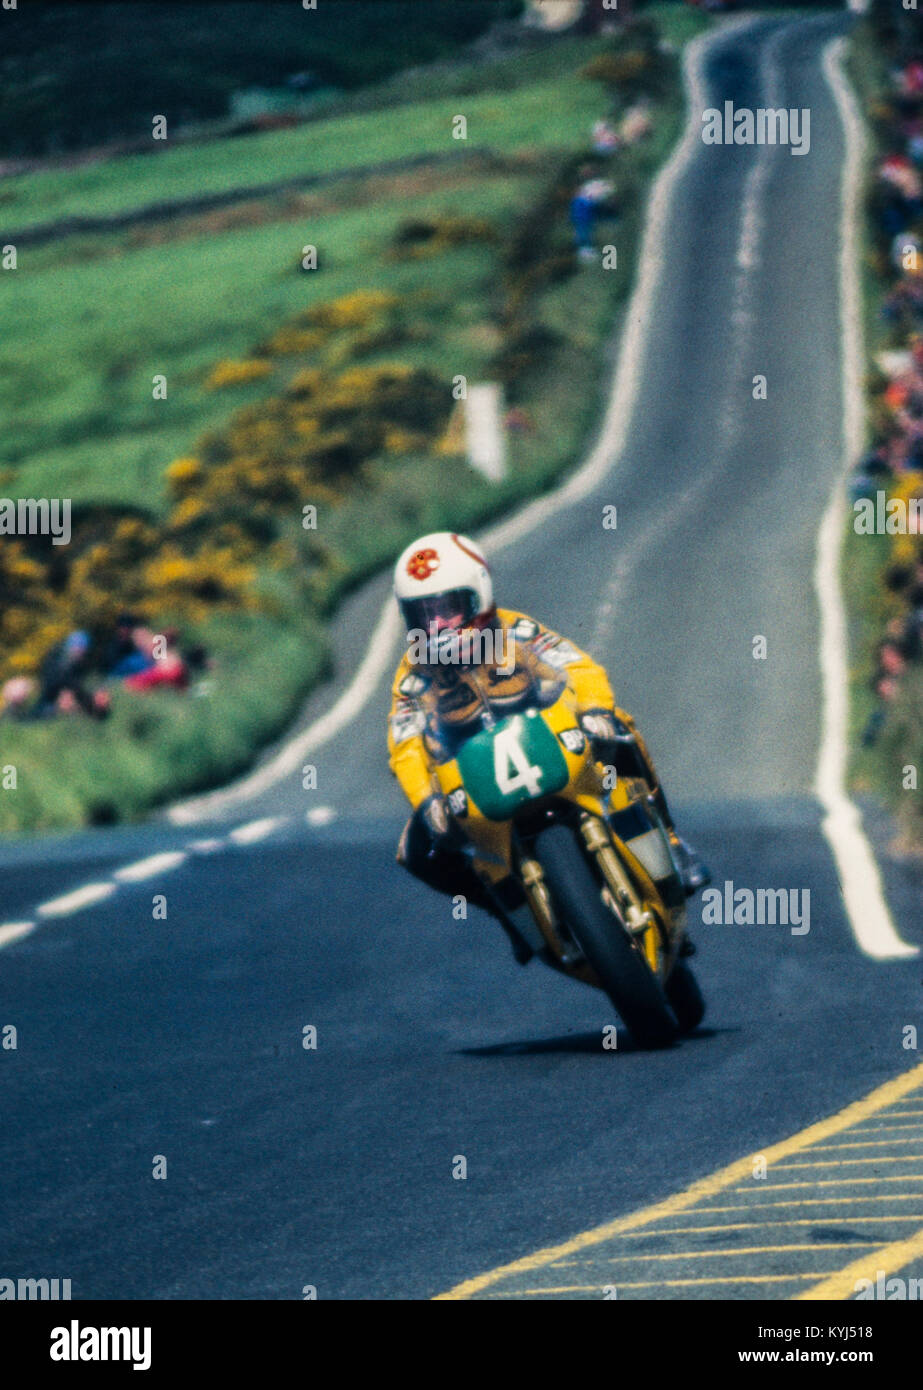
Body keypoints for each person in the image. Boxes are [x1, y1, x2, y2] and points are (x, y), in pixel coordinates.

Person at [387, 531, 710, 959]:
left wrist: (596, 710)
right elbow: (405, 741)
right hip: (471, 776)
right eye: (422, 614)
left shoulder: (515, 630)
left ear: (478, 594)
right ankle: (507, 913)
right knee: (415, 852)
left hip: (546, 741)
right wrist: (426, 799)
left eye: (446, 608)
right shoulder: (414, 673)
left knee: (623, 730)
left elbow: (577, 664)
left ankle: (671, 841)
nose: (436, 625)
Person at [32, 631, 110, 721]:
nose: (79, 651)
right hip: (50, 702)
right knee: (67, 698)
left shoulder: (86, 667)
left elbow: (89, 686)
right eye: (76, 647)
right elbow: (51, 686)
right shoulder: (55, 662)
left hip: (79, 700)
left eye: (82, 649)